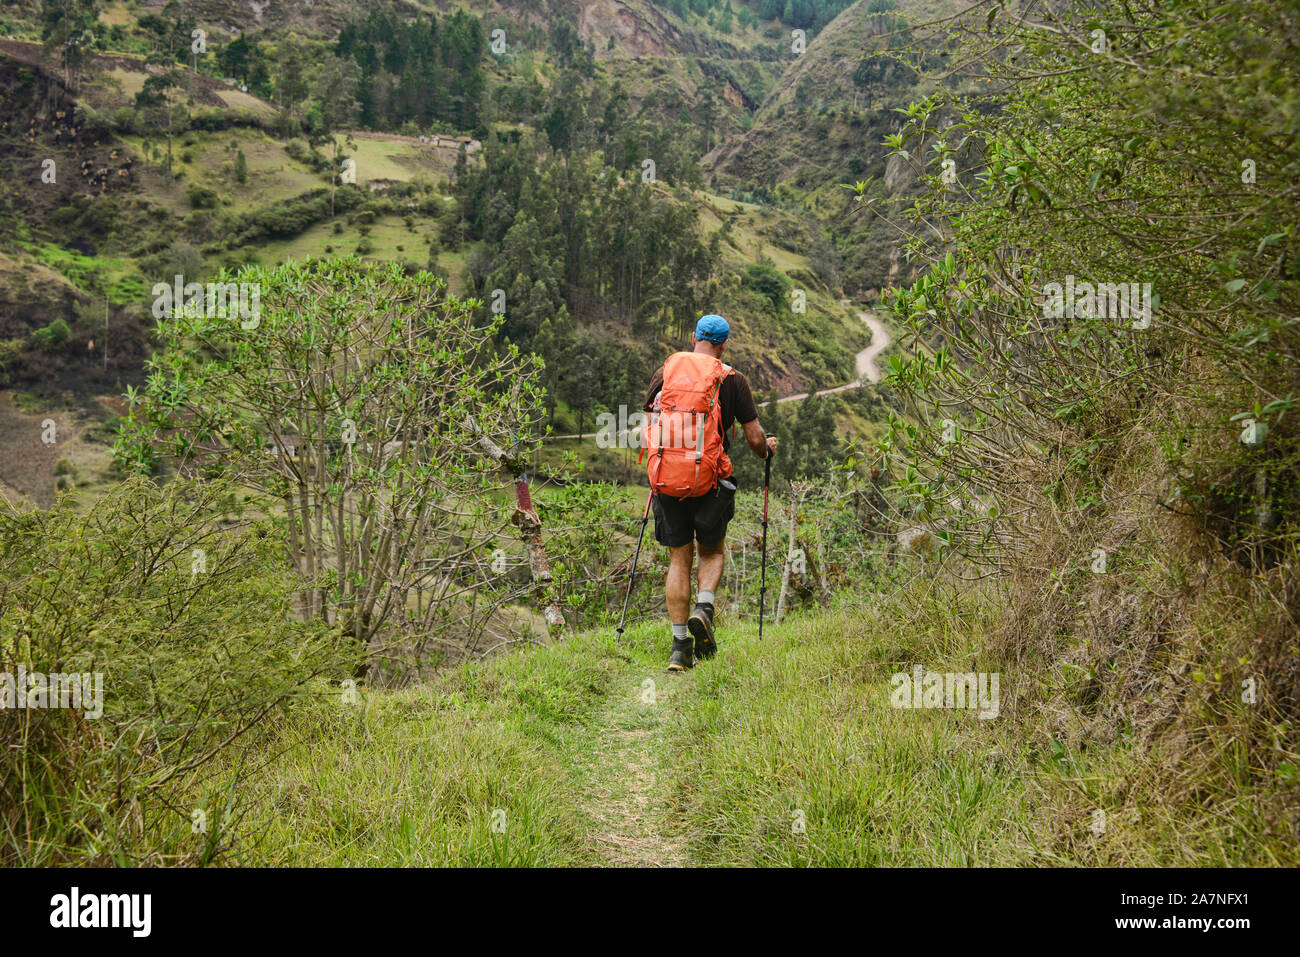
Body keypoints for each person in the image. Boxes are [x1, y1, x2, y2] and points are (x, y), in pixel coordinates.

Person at [642, 314, 777, 673]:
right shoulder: (733, 379)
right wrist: (768, 449)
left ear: (694, 337)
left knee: (678, 560)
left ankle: (679, 649)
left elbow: (648, 427)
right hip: (711, 482)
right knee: (712, 550)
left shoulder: (666, 372)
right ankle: (704, 607)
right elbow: (753, 439)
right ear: (724, 344)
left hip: (669, 481)